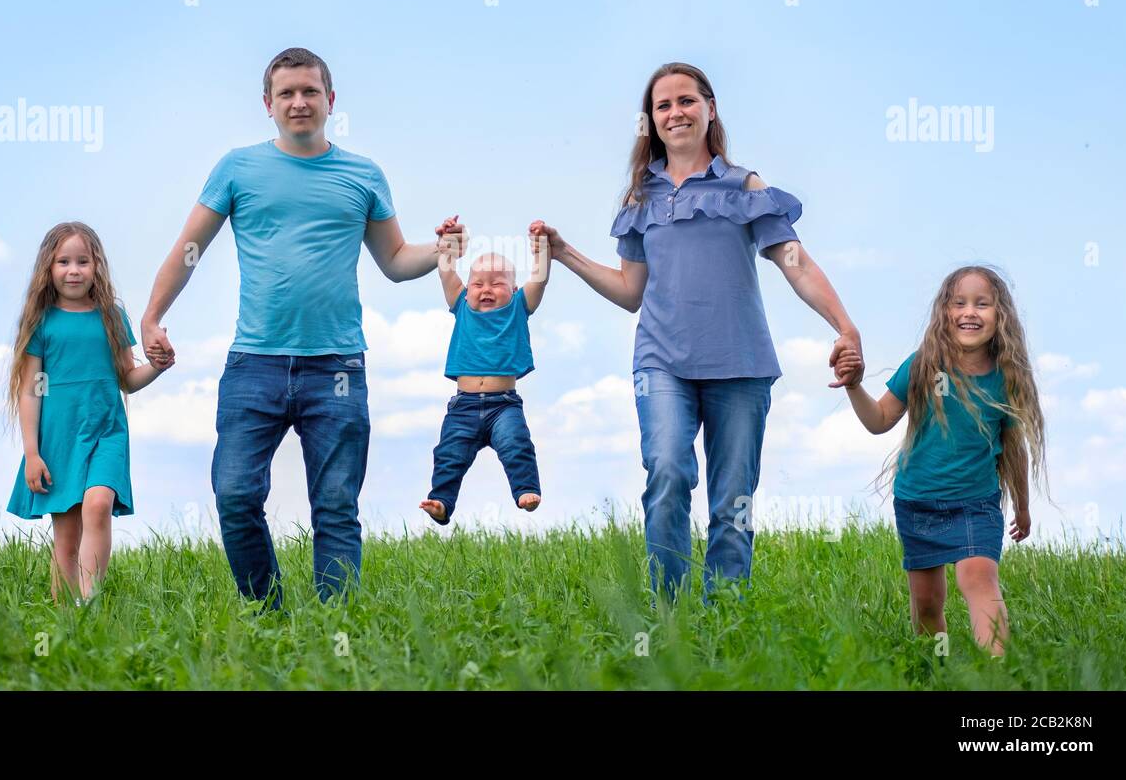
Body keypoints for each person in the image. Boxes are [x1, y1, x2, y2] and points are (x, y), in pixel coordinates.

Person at [530, 61, 863, 601]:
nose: (676, 112)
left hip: (741, 364)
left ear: (710, 109)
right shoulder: (641, 197)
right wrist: (565, 253)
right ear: (651, 121)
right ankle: (670, 613)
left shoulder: (744, 186)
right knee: (666, 471)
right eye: (663, 105)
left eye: (686, 101)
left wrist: (845, 326)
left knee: (732, 500)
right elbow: (629, 292)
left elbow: (796, 263)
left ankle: (724, 619)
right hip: (662, 362)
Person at [140, 47, 459, 609]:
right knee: (235, 495)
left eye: (310, 91)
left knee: (336, 506)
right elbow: (190, 248)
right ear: (268, 104)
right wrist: (152, 315)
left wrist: (442, 251)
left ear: (330, 100)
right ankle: (267, 613)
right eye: (286, 93)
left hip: (336, 366)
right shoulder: (238, 168)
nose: (299, 102)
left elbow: (394, 261)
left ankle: (339, 631)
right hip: (253, 365)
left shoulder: (363, 175)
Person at [838, 265, 1047, 656]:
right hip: (918, 501)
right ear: (944, 313)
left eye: (982, 304)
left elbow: (1013, 447)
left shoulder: (1006, 377)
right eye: (960, 303)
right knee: (928, 602)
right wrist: (853, 387)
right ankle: (934, 667)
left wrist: (1021, 505)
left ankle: (997, 670)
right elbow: (879, 421)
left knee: (979, 576)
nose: (970, 312)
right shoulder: (923, 365)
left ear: (1000, 316)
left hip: (975, 503)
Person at [5, 222, 174, 604]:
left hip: (106, 431)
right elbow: (31, 391)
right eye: (63, 261)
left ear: (97, 265)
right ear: (48, 268)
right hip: (59, 438)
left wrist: (158, 366)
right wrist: (32, 453)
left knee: (98, 504)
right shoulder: (42, 323)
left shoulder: (112, 317)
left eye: (83, 261)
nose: (74, 270)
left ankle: (88, 604)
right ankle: (65, 621)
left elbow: (128, 380)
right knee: (66, 534)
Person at [419, 217, 549, 524]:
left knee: (516, 444)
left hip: (504, 405)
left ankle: (526, 490)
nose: (485, 289)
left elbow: (540, 279)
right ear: (467, 290)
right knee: (449, 453)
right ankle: (441, 501)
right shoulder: (461, 304)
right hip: (463, 405)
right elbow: (446, 270)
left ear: (514, 289)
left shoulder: (519, 307)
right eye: (477, 283)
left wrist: (541, 244)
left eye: (497, 283)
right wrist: (449, 240)